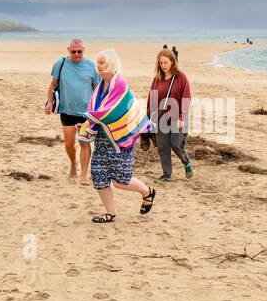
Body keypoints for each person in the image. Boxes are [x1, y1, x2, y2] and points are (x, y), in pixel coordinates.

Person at [78, 49, 155, 224]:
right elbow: (95, 109)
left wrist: (90, 118)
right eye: (97, 62)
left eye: (101, 63)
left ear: (111, 64)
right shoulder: (100, 87)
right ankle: (110, 213)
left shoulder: (119, 84)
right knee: (99, 176)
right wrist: (88, 123)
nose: (98, 66)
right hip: (103, 139)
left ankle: (146, 191)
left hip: (120, 139)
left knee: (121, 181)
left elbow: (113, 111)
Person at [44, 39, 99, 185]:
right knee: (69, 145)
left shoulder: (92, 67)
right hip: (67, 111)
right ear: (68, 49)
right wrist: (49, 102)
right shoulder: (60, 64)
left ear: (84, 50)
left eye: (79, 51)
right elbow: (52, 86)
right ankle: (73, 163)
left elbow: (97, 90)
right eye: (73, 51)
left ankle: (84, 174)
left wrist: (98, 110)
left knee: (84, 143)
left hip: (86, 113)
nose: (76, 54)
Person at [149, 49, 193, 182]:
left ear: (172, 62)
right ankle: (166, 174)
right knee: (162, 147)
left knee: (176, 144)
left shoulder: (181, 77)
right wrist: (151, 117)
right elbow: (152, 98)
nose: (163, 65)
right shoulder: (157, 79)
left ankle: (186, 162)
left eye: (166, 62)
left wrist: (181, 117)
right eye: (161, 63)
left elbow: (186, 97)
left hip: (177, 117)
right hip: (161, 117)